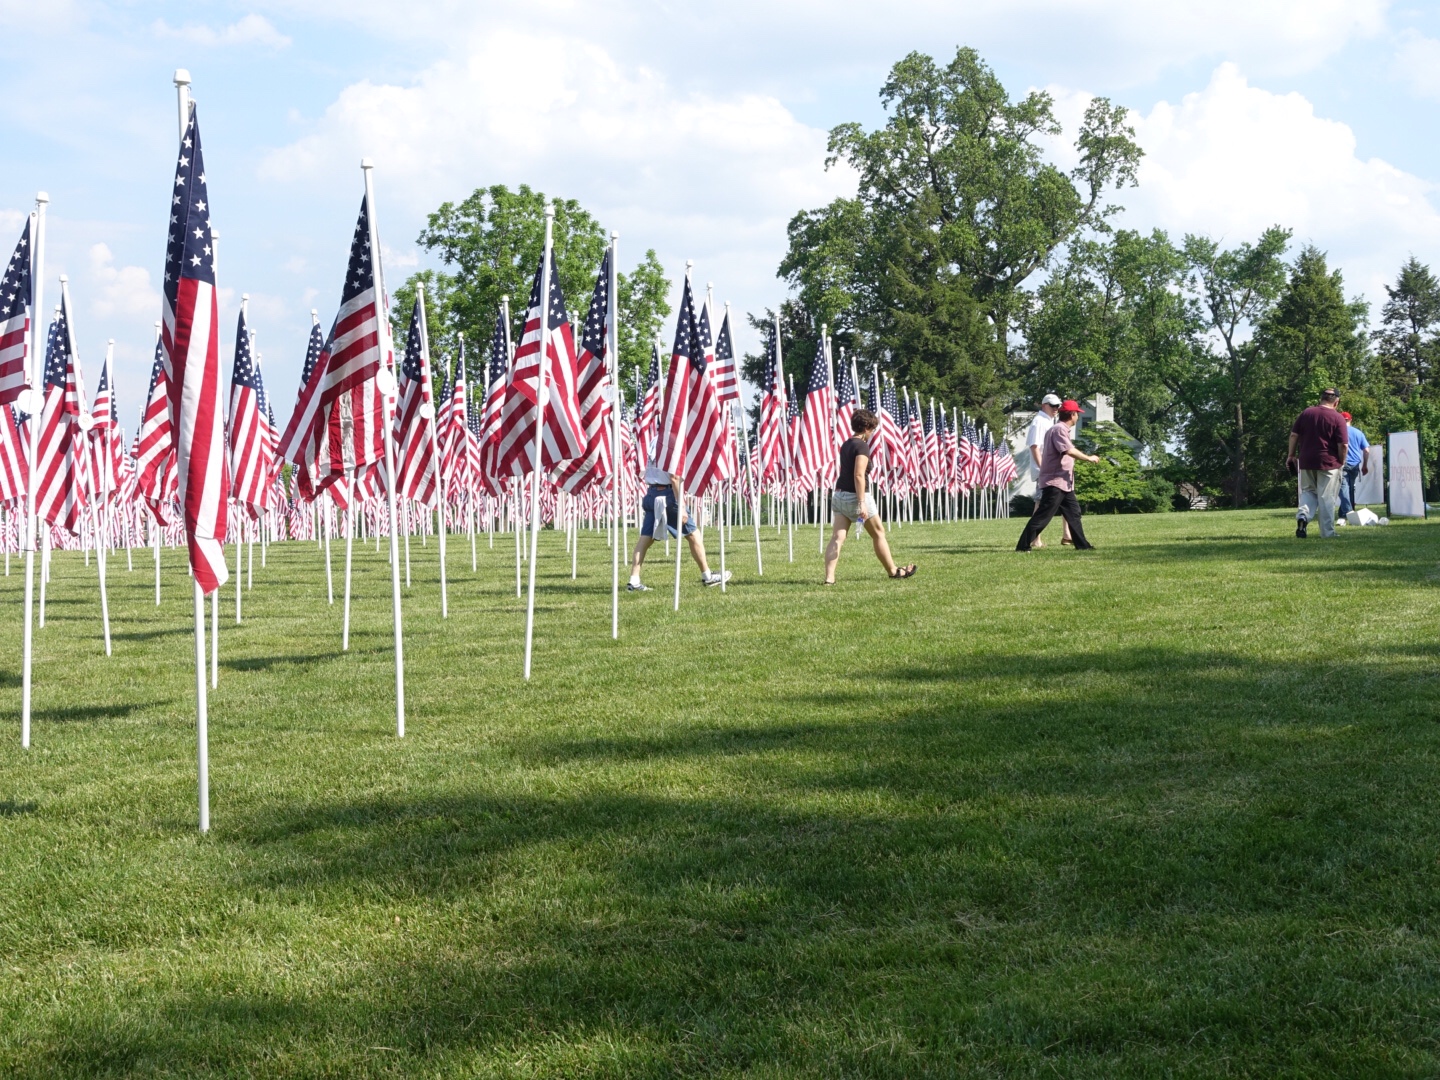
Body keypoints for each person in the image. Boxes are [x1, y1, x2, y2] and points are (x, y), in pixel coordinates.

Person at [823, 409, 915, 584]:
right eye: (872, 429)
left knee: (837, 537)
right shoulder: (862, 446)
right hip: (855, 496)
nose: (872, 432)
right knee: (879, 533)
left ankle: (829, 578)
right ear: (866, 427)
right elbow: (858, 475)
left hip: (839, 495)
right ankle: (893, 571)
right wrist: (862, 503)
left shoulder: (846, 444)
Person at [627, 462, 731, 591]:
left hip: (651, 493)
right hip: (668, 494)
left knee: (645, 539)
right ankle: (707, 576)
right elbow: (674, 477)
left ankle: (634, 580)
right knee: (693, 534)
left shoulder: (655, 442)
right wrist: (681, 506)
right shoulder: (671, 443)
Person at [1015, 399, 1098, 552]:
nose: (1078, 417)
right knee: (1043, 515)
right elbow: (1068, 450)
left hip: (1064, 482)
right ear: (1072, 414)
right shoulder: (1059, 430)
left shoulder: (1059, 429)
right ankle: (1022, 546)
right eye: (1077, 414)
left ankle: (1082, 545)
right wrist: (1089, 458)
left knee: (1074, 513)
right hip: (1055, 481)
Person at [1287, 388, 1348, 538]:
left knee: (1308, 492)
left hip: (1306, 460)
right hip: (1329, 462)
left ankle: (1303, 516)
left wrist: (1291, 455)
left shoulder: (1307, 413)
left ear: (1321, 398)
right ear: (1336, 402)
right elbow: (1343, 445)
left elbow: (1294, 435)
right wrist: (1341, 460)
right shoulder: (1338, 417)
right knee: (1326, 497)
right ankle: (1327, 532)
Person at [1024, 393, 1072, 548]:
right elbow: (1034, 446)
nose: (1056, 409)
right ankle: (1035, 538)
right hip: (1046, 471)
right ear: (1044, 405)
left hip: (1054, 470)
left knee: (1064, 501)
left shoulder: (1050, 422)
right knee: (1042, 504)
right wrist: (1043, 468)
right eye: (1053, 406)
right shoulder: (1039, 422)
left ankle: (1067, 535)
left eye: (1058, 406)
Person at [1337, 411, 1370, 518]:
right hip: (1355, 464)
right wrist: (1365, 465)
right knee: (1350, 488)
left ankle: (1348, 512)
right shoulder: (1358, 433)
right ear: (1351, 420)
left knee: (1343, 489)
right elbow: (1366, 450)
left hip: (1343, 463)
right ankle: (1346, 512)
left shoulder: (1337, 432)